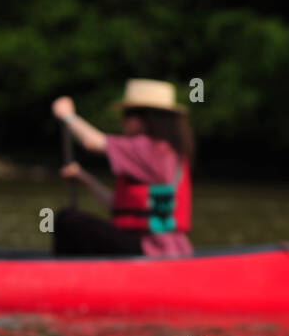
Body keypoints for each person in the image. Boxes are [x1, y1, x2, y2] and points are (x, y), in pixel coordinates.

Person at [50, 78, 194, 257]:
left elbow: (92, 142)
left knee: (70, 221)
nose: (122, 120)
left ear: (148, 118)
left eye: (128, 114)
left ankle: (69, 277)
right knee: (73, 220)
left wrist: (67, 116)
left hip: (155, 249)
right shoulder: (164, 150)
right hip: (156, 248)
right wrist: (84, 178)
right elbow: (116, 206)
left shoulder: (151, 149)